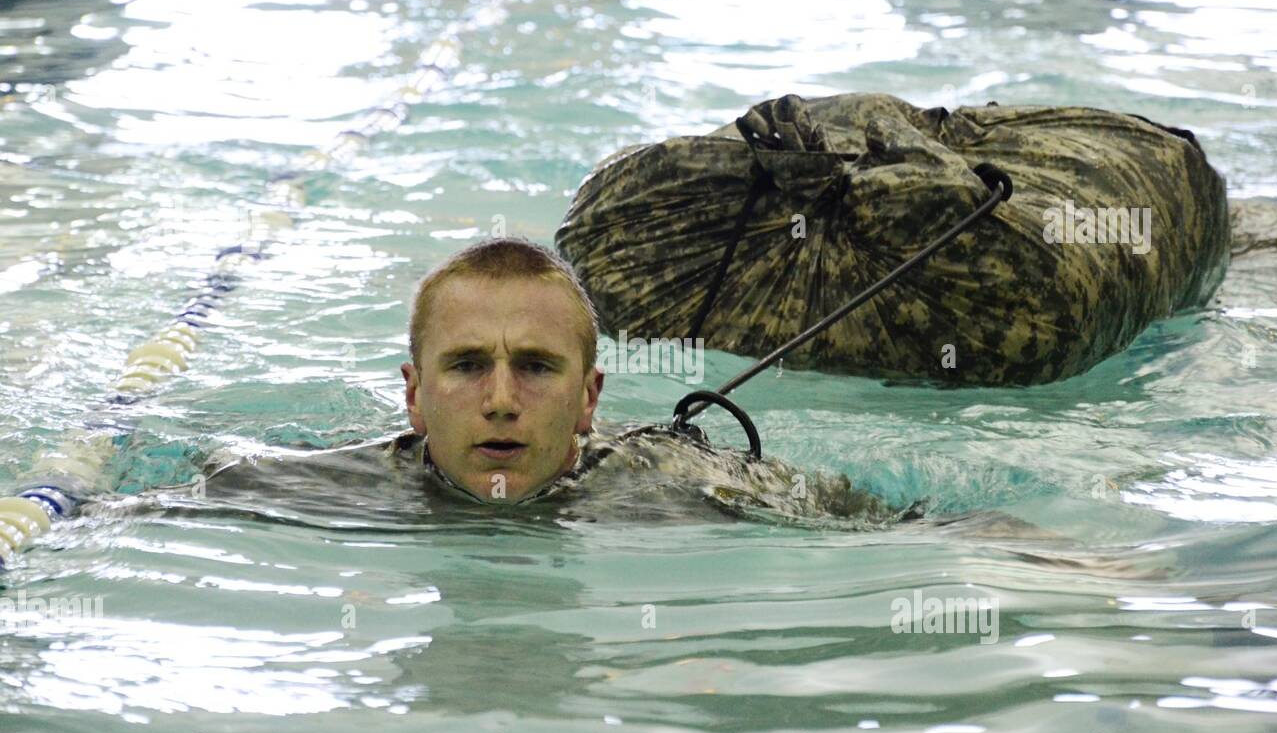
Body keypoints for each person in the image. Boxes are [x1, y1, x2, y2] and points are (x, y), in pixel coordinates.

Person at [196, 237, 918, 526]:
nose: (503, 401)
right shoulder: (327, 483)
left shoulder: (686, 481)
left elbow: (908, 527)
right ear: (414, 397)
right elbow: (185, 486)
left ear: (589, 399)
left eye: (537, 367)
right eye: (468, 365)